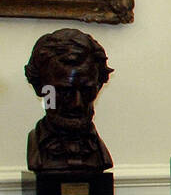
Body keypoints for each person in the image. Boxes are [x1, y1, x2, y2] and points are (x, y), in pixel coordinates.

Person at [24, 28, 114, 173]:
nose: (76, 104)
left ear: (98, 86)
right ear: (39, 87)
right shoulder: (36, 149)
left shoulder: (99, 153)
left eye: (86, 91)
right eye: (64, 91)